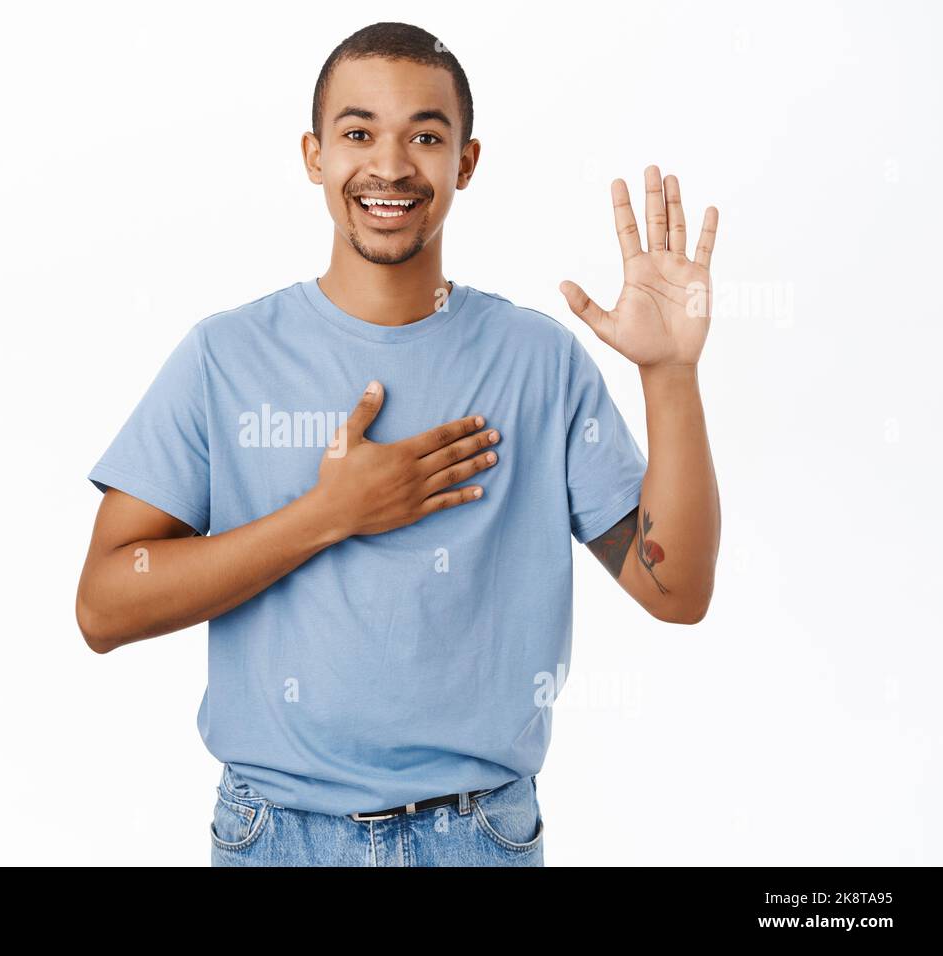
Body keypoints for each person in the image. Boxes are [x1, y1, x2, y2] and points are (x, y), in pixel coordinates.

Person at [76, 21, 721, 866]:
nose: (389, 164)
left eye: (425, 135)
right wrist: (326, 515)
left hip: (480, 836)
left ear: (467, 161)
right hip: (277, 836)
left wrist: (669, 375)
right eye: (357, 133)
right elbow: (103, 606)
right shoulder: (224, 356)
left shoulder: (538, 361)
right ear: (314, 155)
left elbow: (675, 588)